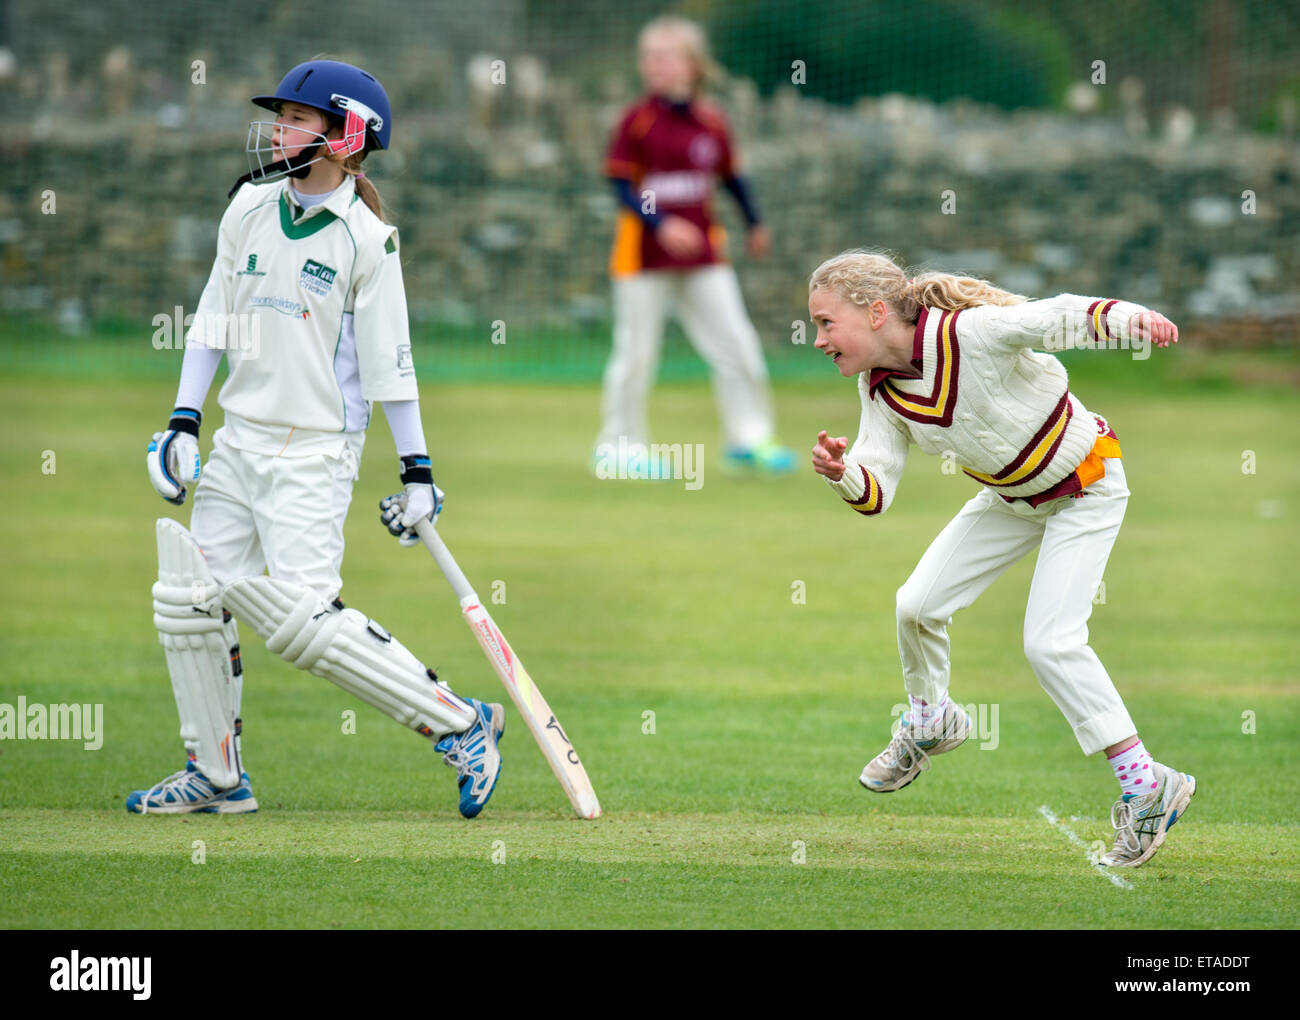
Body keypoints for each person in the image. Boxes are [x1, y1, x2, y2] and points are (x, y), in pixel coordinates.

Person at [131, 59, 504, 819]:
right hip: (238, 441)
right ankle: (216, 774)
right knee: (190, 598)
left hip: (315, 451)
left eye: (299, 119)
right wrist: (181, 420)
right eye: (283, 116)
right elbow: (213, 319)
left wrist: (417, 471)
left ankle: (461, 723)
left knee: (301, 622)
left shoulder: (370, 242)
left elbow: (391, 367)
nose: (280, 129)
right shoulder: (248, 209)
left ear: (345, 139)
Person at [807, 249, 1194, 868]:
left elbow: (1058, 316)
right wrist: (841, 472)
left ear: (877, 311)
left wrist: (1131, 319)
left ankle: (1149, 785)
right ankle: (932, 720)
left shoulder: (968, 333)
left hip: (1086, 488)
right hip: (1012, 499)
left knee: (1050, 643)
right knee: (916, 605)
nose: (818, 339)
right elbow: (877, 491)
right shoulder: (876, 389)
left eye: (827, 323)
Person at [595, 15, 795, 478]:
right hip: (641, 256)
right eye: (647, 57)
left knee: (737, 344)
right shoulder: (637, 121)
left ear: (692, 64)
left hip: (705, 253)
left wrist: (755, 222)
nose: (653, 65)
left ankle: (750, 439)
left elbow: (732, 177)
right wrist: (660, 222)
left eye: (664, 56)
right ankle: (618, 448)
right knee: (636, 352)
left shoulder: (711, 121)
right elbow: (621, 186)